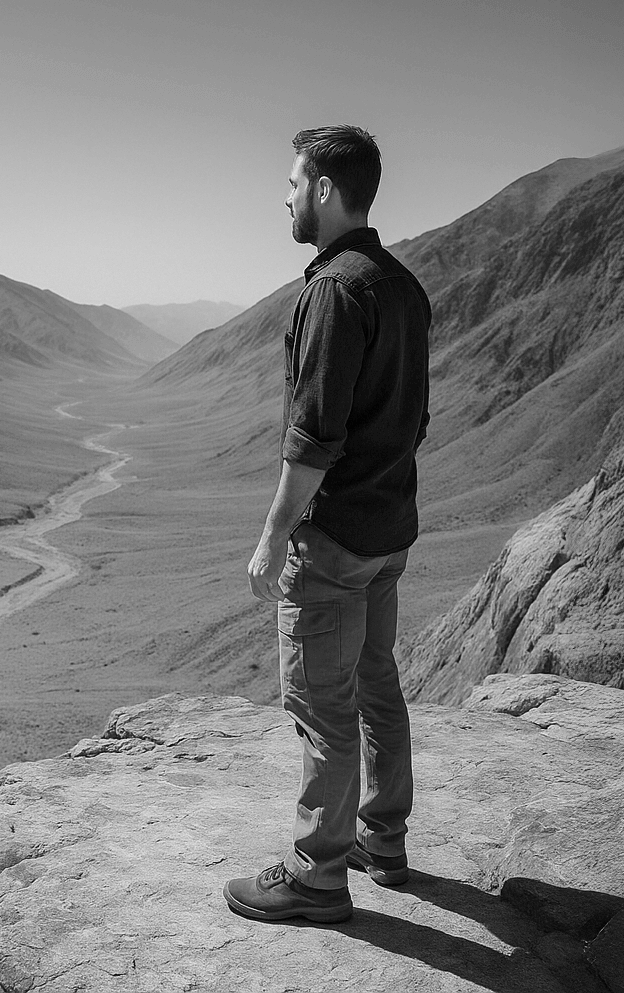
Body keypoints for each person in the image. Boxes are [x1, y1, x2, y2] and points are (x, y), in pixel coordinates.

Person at [223, 125, 431, 924]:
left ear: (322, 190)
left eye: (291, 180)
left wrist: (273, 539)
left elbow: (313, 439)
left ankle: (316, 876)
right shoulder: (403, 287)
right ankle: (387, 842)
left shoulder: (335, 292)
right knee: (377, 682)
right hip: (389, 533)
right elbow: (411, 419)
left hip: (337, 538)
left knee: (322, 704)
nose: (282, 195)